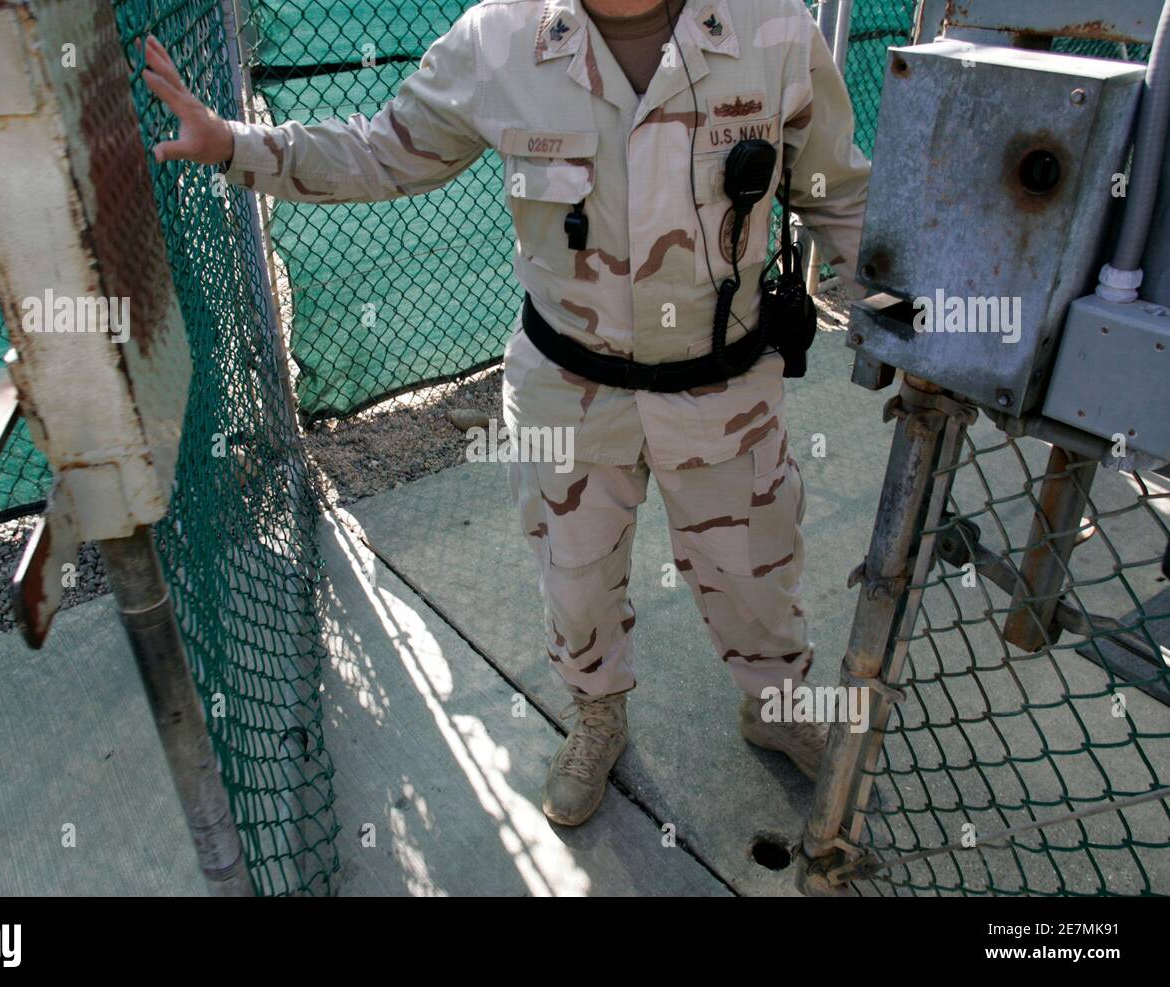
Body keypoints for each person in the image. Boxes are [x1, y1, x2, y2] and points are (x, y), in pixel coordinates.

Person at [141, 0, 870, 827]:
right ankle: (598, 714)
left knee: (757, 571)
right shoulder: (502, 39)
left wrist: (923, 316)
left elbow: (840, 193)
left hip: (722, 387)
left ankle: (773, 703)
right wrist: (236, 146)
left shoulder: (768, 28)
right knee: (576, 576)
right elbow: (383, 151)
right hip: (572, 387)